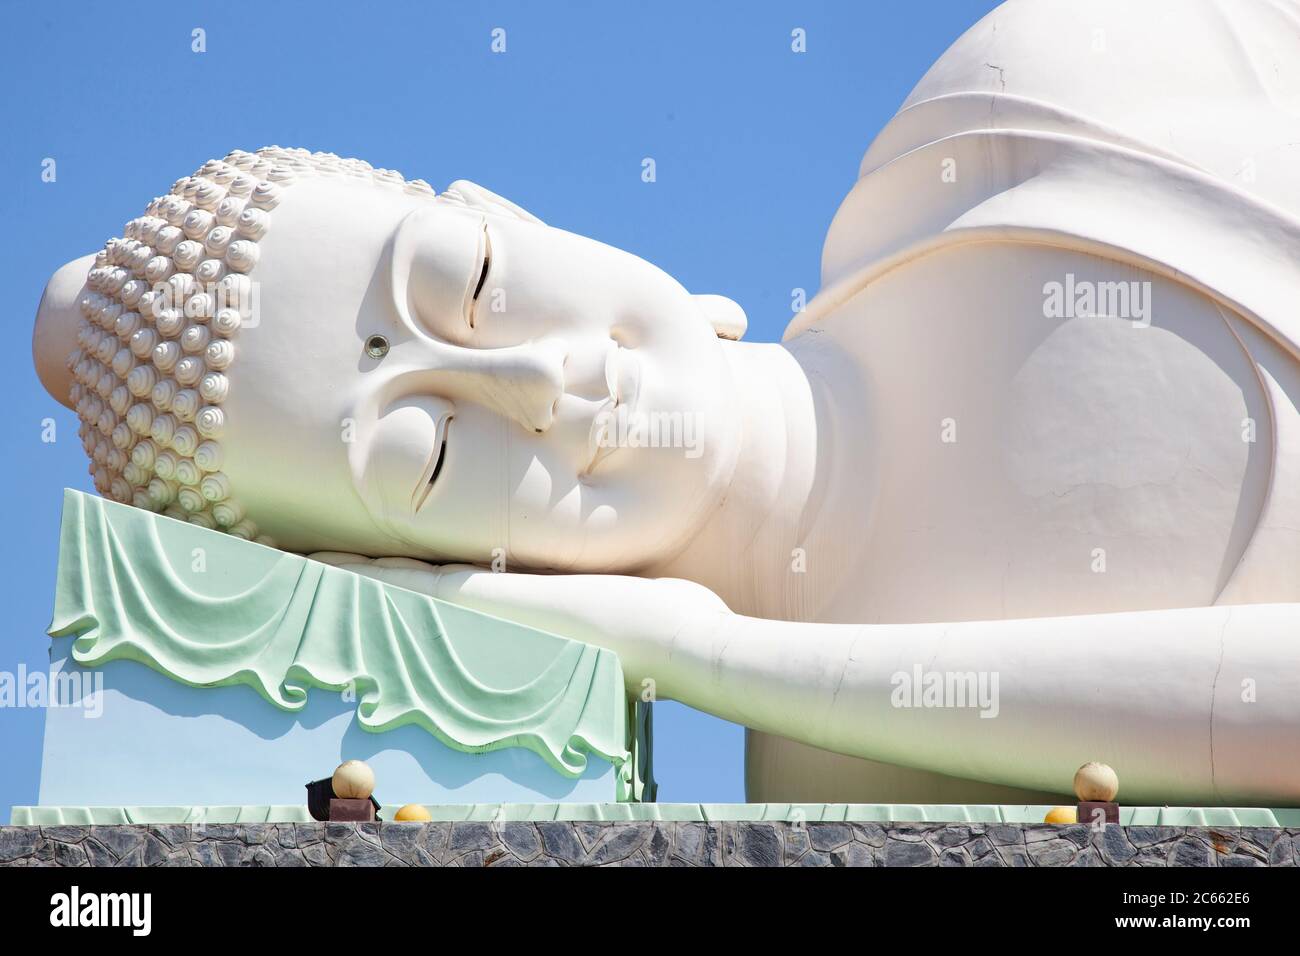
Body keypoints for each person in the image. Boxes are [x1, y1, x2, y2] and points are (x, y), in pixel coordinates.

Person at [33, 0, 1300, 805]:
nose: (536, 387)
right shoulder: (841, 795)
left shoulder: (1027, 104)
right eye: (424, 454)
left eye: (466, 280)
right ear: (427, 573)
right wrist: (705, 656)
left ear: (509, 216)